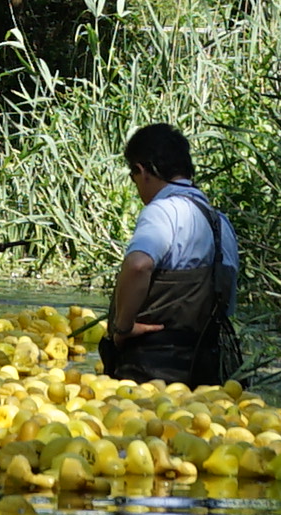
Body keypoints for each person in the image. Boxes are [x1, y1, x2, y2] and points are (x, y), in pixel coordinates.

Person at [102, 122, 239, 383]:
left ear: (142, 171)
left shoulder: (162, 210)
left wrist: (122, 327)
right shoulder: (220, 223)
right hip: (205, 371)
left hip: (150, 369)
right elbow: (227, 302)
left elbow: (138, 265)